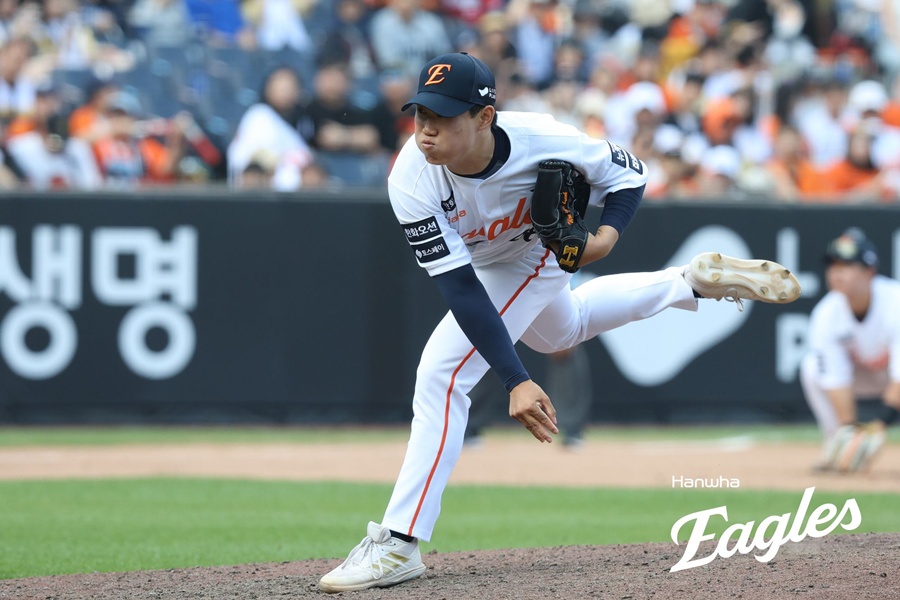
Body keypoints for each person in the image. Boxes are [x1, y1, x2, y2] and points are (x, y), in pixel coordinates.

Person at [318, 52, 801, 593]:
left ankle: (399, 542)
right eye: (420, 114)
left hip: (533, 255)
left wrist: (604, 240)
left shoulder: (544, 140)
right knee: (563, 329)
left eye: (443, 117)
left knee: (442, 372)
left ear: (484, 118)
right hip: (480, 266)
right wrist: (515, 376)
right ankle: (688, 281)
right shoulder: (411, 176)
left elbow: (631, 176)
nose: (426, 130)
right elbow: (459, 289)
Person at [800, 228, 900, 472]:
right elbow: (835, 378)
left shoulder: (895, 303)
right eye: (832, 267)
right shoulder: (826, 313)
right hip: (862, 377)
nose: (836, 273)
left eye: (845, 266)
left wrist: (878, 425)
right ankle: (838, 445)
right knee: (811, 368)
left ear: (869, 272)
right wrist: (853, 431)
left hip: (891, 379)